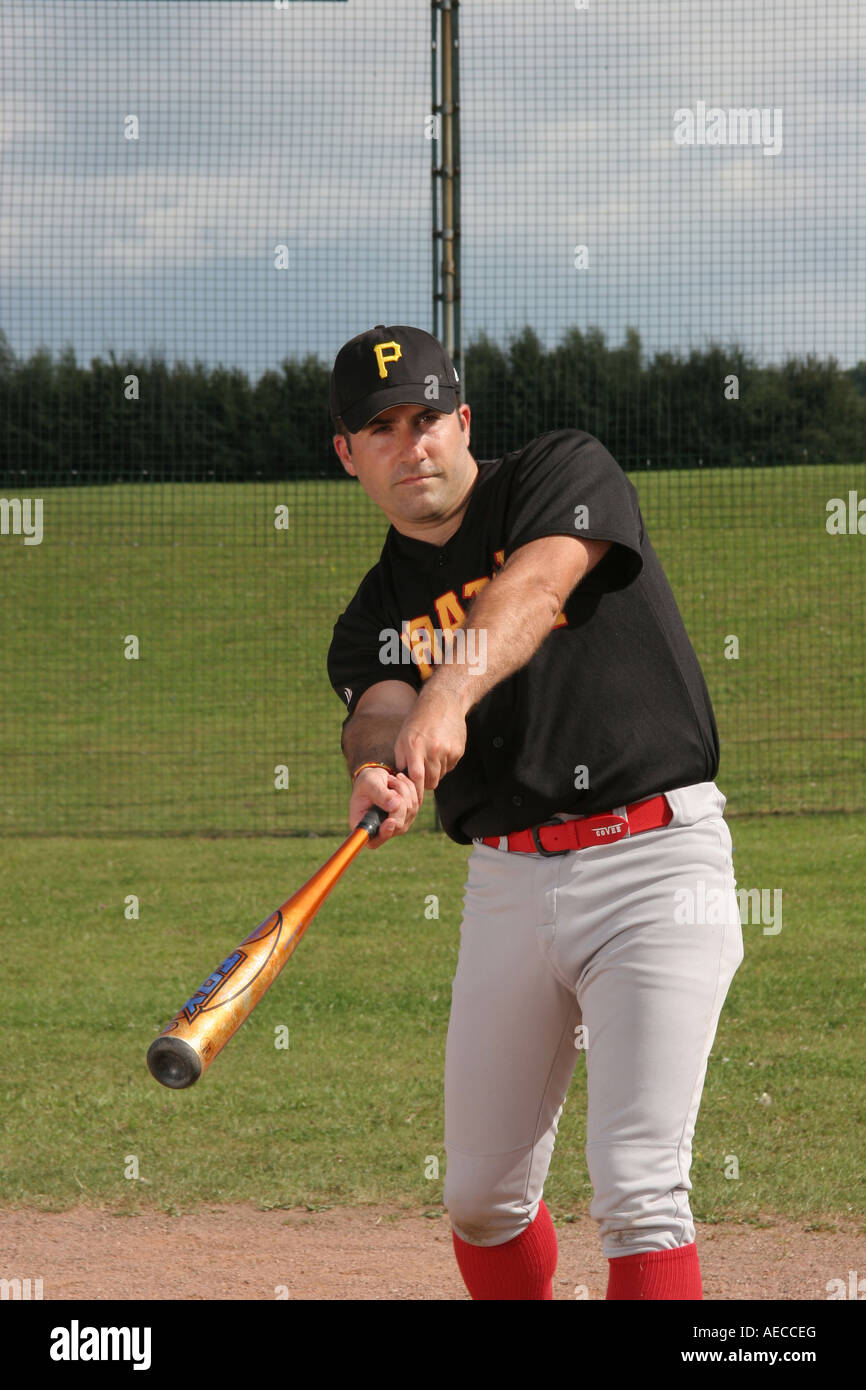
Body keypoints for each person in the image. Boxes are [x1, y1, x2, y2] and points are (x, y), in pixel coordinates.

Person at [326, 323, 743, 1301]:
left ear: (464, 421)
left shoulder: (561, 472)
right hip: (508, 882)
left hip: (653, 862)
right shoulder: (372, 613)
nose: (411, 444)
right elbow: (378, 709)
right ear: (347, 454)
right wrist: (379, 764)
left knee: (638, 1190)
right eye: (381, 429)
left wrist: (446, 694)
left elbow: (537, 582)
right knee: (480, 1200)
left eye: (427, 418)